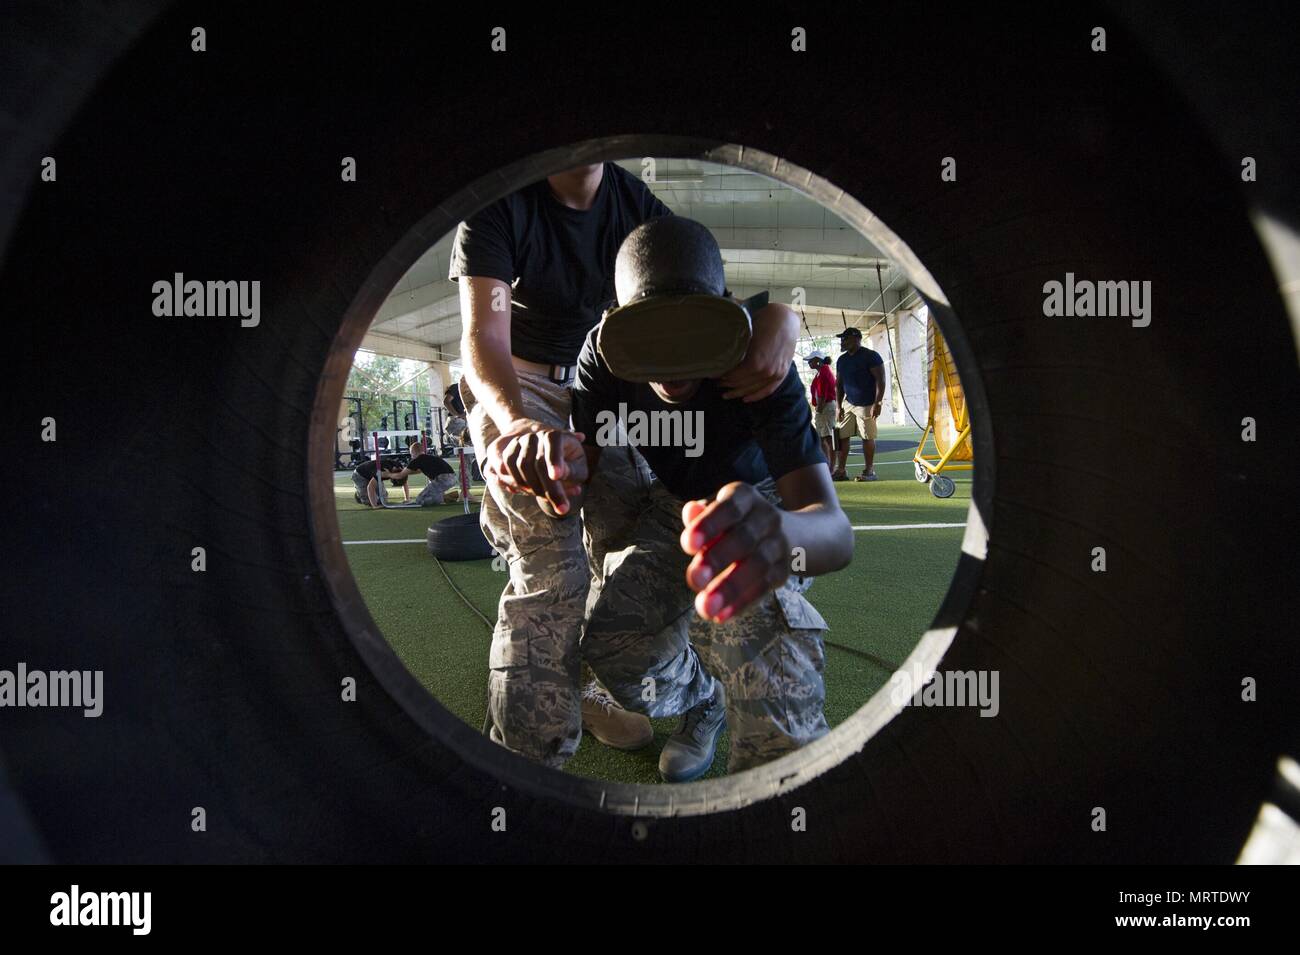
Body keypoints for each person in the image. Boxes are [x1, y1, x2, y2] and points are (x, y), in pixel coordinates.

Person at [450, 162, 801, 767]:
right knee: (550, 572)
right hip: (522, 384)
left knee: (620, 541)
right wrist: (517, 425)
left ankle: (654, 686)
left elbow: (696, 297)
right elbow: (483, 337)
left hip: (617, 376)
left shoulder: (636, 204)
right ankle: (524, 771)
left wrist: (778, 316)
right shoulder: (499, 204)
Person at [561, 217, 854, 780]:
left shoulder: (756, 365)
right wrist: (550, 457)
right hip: (675, 507)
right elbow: (589, 463)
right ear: (618, 325)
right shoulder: (605, 357)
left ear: (723, 317)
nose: (671, 369)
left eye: (690, 333)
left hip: (765, 505)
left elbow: (834, 531)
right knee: (614, 642)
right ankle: (705, 702)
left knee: (772, 674)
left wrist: (781, 535)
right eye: (648, 335)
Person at [832, 326, 886, 482]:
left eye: (845, 338)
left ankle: (869, 471)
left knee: (867, 437)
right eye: (842, 339)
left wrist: (878, 402)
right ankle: (841, 471)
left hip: (867, 404)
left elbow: (881, 380)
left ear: (856, 338)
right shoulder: (842, 360)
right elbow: (839, 385)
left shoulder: (871, 356)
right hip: (848, 403)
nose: (842, 341)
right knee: (841, 437)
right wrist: (838, 406)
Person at [396, 442, 461, 505]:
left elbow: (400, 475)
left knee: (420, 500)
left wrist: (388, 474)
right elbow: (417, 471)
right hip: (453, 478)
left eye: (411, 454)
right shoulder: (430, 458)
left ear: (413, 452)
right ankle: (450, 496)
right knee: (432, 491)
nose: (412, 457)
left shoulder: (417, 460)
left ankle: (445, 498)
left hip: (443, 479)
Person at [806, 349, 838, 465]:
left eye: (810, 360)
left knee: (828, 438)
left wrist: (819, 408)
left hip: (825, 407)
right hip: (825, 407)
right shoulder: (822, 372)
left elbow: (822, 394)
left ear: (818, 360)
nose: (809, 363)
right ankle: (828, 464)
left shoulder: (824, 372)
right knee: (823, 438)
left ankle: (831, 466)